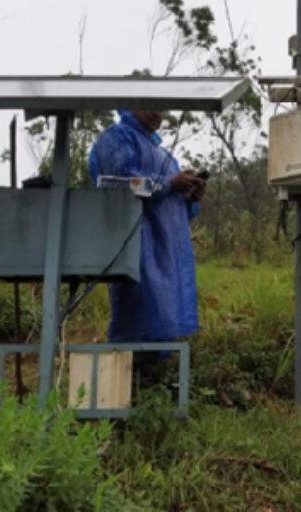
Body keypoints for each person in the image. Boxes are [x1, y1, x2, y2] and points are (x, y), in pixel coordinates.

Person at [89, 109, 206, 387]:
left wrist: (189, 196)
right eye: (149, 106)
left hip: (165, 255)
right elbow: (115, 186)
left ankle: (147, 393)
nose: (158, 114)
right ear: (131, 105)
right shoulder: (116, 140)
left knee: (159, 325)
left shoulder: (163, 155)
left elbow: (173, 207)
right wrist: (168, 184)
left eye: (161, 108)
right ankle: (115, 401)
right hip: (135, 248)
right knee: (133, 322)